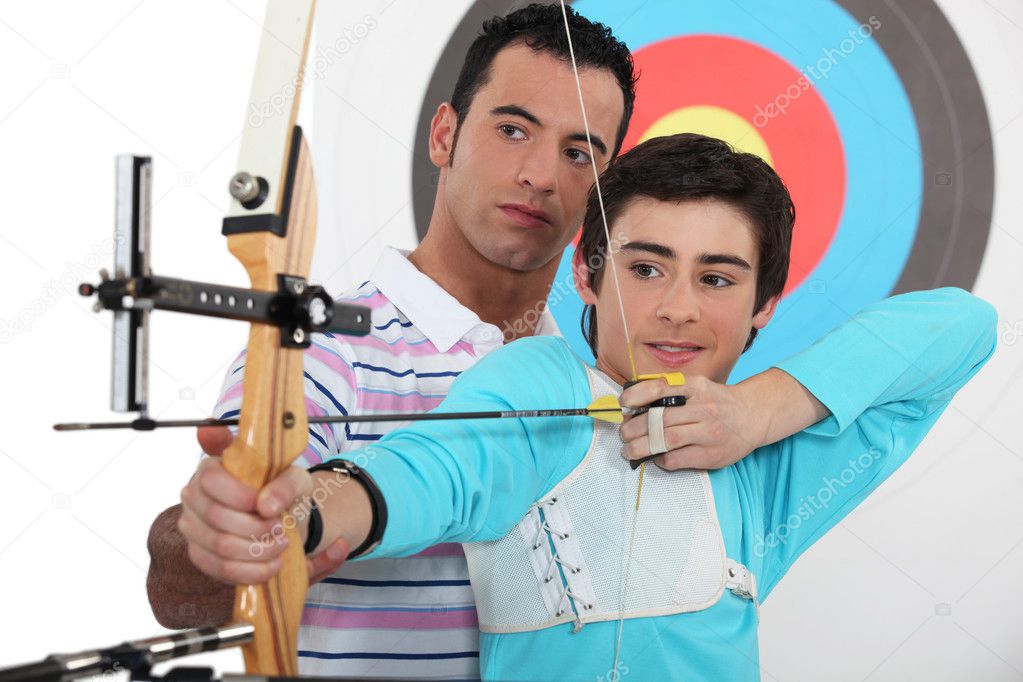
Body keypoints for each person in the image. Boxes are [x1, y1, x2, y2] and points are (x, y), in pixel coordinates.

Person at [176, 133, 997, 681]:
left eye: (716, 279)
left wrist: (752, 413)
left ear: (764, 306)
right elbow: (431, 472)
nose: (677, 307)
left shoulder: (761, 472)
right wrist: (301, 513)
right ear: (586, 276)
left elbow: (963, 327)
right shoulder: (542, 384)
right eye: (645, 268)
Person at [149, 5, 636, 679]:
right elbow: (189, 583)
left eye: (578, 152)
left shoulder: (590, 388)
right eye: (512, 129)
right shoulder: (319, 351)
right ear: (444, 135)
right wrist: (214, 531)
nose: (541, 176)